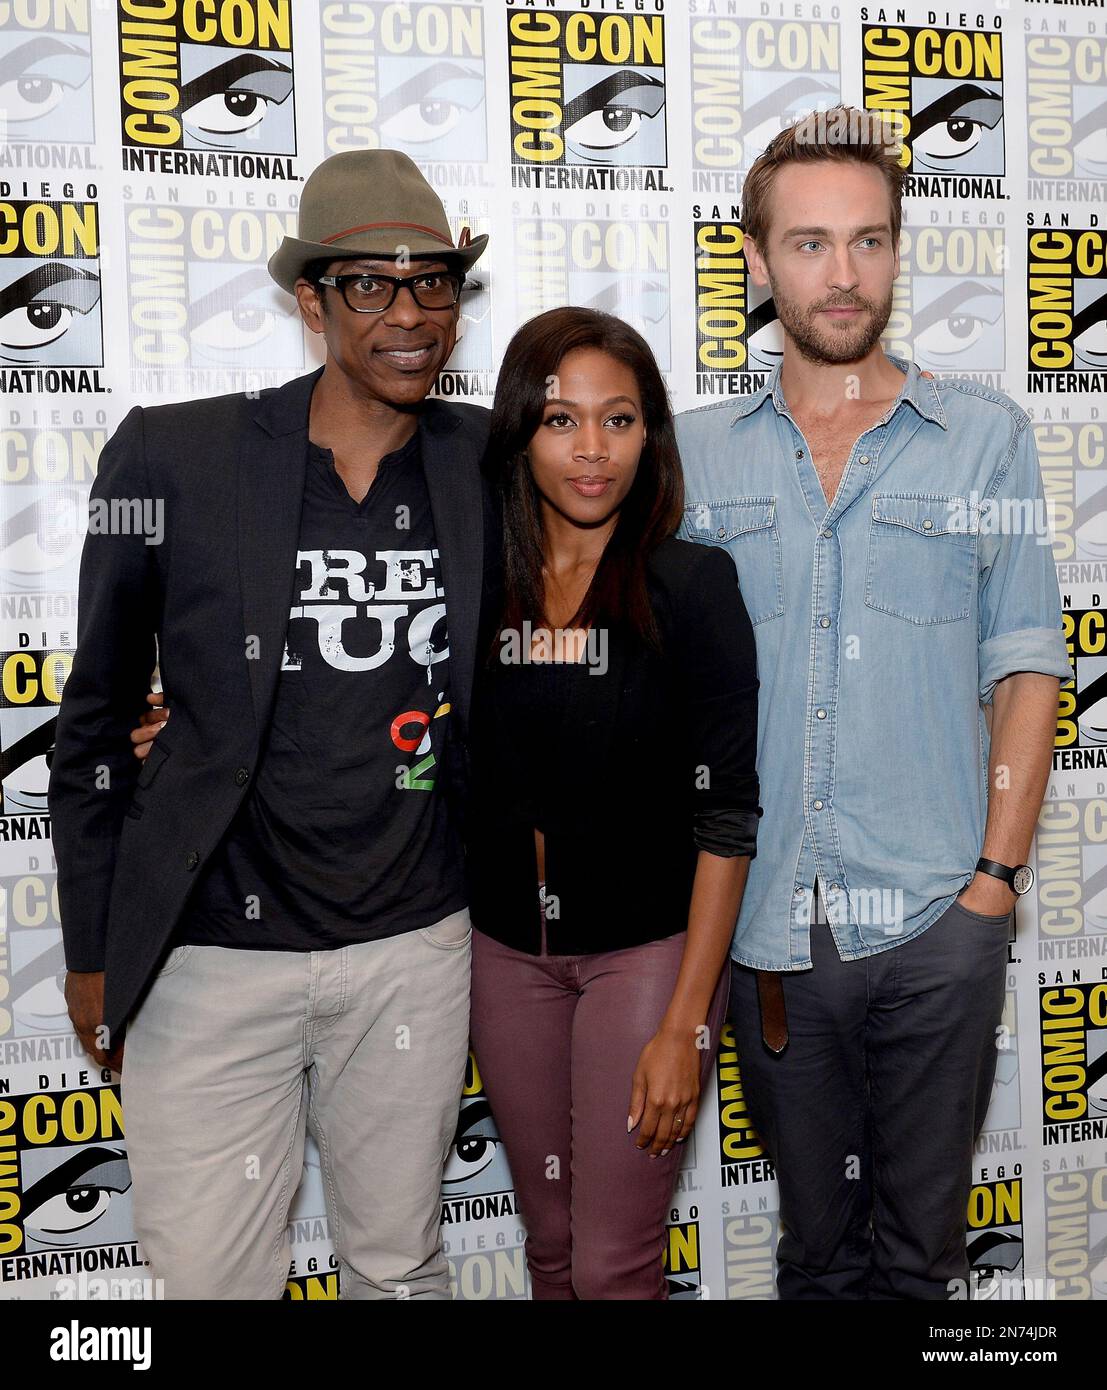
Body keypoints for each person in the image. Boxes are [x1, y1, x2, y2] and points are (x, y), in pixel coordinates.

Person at [48, 149, 499, 1299]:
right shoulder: (174, 456)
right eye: (370, 285)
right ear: (311, 301)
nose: (410, 314)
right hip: (208, 958)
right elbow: (95, 719)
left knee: (399, 1266)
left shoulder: (494, 461)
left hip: (412, 948)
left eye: (434, 283)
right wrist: (95, 946)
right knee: (208, 1281)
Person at [674, 106, 1072, 1299]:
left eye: (868, 242)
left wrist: (991, 886)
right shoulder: (695, 456)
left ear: (897, 251)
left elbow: (1031, 667)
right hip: (768, 937)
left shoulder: (983, 440)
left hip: (936, 923)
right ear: (755, 260)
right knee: (815, 1255)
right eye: (808, 244)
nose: (842, 276)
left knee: (923, 1258)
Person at [463, 306, 761, 1299]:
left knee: (612, 1263)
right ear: (518, 431)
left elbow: (727, 817)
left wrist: (685, 1024)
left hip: (646, 957)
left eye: (620, 420)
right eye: (561, 421)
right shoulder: (476, 587)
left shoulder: (691, 584)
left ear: (651, 434)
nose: (594, 451)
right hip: (505, 954)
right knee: (550, 1248)